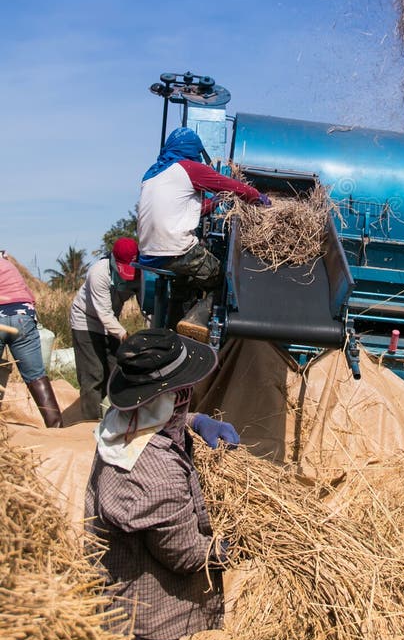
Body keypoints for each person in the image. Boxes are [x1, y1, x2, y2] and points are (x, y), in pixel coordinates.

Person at [85, 328, 240, 640]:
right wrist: (236, 548)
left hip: (121, 576)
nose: (190, 394)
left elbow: (161, 416)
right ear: (175, 396)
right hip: (147, 609)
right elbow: (185, 555)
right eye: (185, 390)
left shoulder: (124, 419)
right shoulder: (158, 476)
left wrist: (197, 422)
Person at [137, 127, 271, 320]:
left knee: (182, 282)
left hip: (150, 254)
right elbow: (230, 186)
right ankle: (197, 322)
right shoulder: (188, 168)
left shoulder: (152, 175)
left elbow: (178, 211)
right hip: (176, 250)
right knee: (224, 279)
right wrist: (257, 197)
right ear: (193, 149)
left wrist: (214, 203)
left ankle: (175, 327)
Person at [71, 237, 141, 420]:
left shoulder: (142, 272)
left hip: (111, 322)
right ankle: (89, 424)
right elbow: (104, 313)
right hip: (87, 321)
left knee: (117, 371)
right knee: (93, 375)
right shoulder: (99, 273)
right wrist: (125, 336)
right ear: (114, 260)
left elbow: (147, 305)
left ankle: (114, 421)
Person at [0, 252, 62, 427]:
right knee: (36, 376)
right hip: (24, 318)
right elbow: (29, 295)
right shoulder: (9, 266)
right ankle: (56, 426)